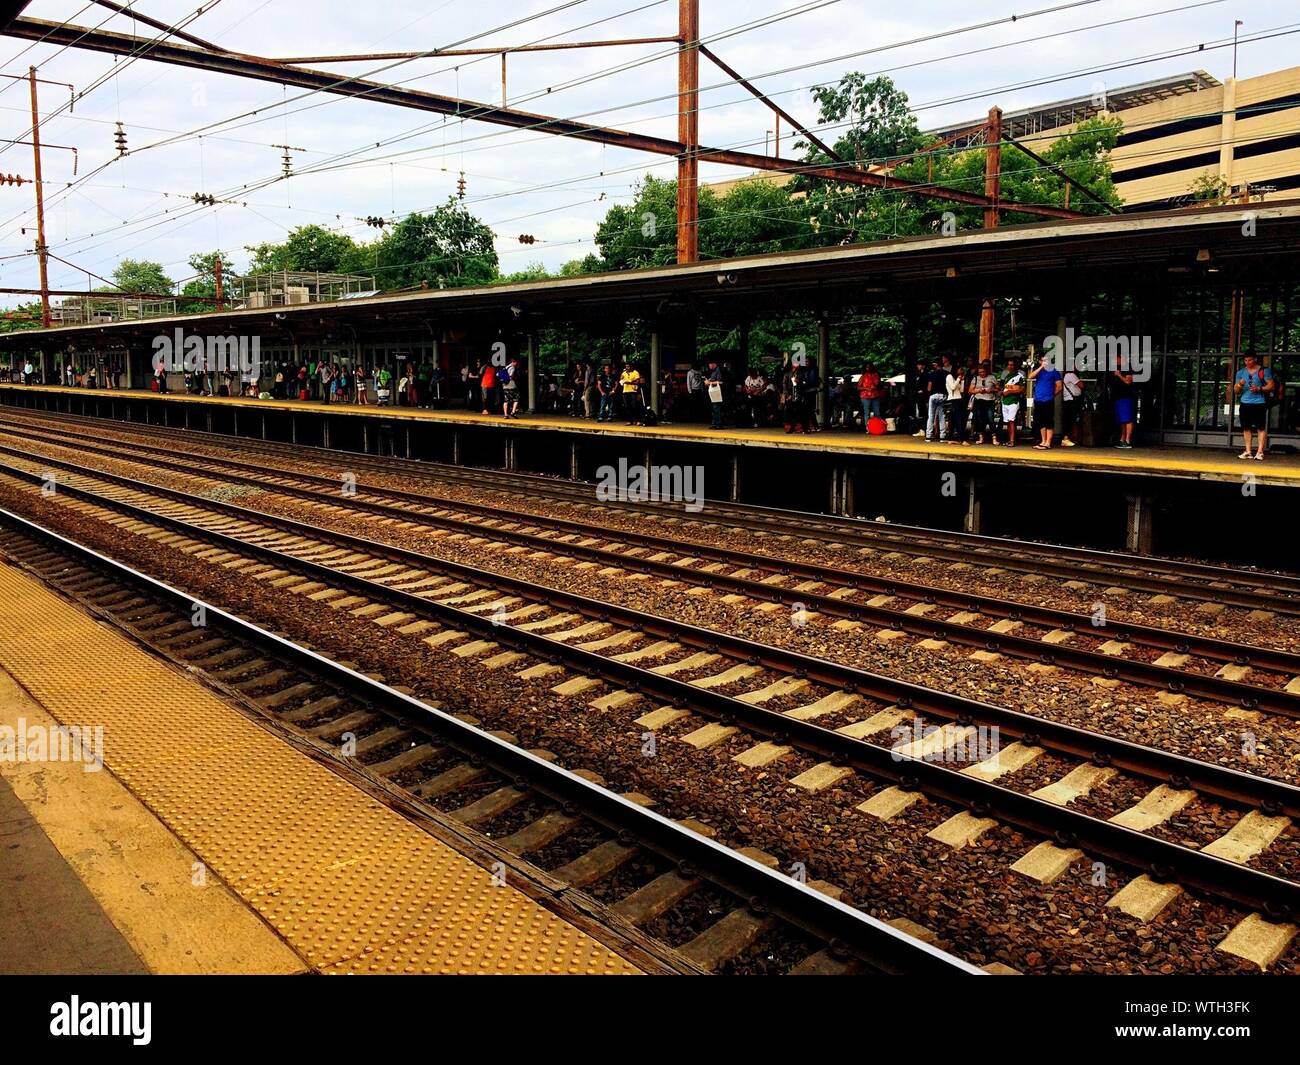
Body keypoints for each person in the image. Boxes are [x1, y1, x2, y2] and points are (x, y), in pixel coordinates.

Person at [1234, 352, 1275, 460]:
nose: (1248, 362)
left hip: (1259, 403)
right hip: (1245, 403)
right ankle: (1248, 451)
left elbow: (1271, 386)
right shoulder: (1241, 372)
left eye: (1250, 360)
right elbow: (1236, 391)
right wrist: (1240, 384)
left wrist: (1259, 388)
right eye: (1246, 360)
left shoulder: (1264, 371)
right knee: (1246, 427)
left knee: (1260, 427)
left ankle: (1260, 452)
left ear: (1255, 359)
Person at [1029, 353, 1063, 450]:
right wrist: (1041, 367)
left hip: (1048, 399)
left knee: (1048, 421)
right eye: (1044, 360)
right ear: (1040, 361)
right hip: (1038, 399)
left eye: (1047, 360)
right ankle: (1043, 441)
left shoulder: (1054, 371)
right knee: (1040, 421)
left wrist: (1052, 395)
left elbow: (1059, 386)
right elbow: (1030, 376)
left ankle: (1048, 442)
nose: (1046, 362)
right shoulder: (1039, 371)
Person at [997, 357, 1025, 446]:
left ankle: (1012, 441)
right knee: (1008, 421)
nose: (1010, 366)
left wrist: (1010, 392)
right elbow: (1005, 387)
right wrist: (1001, 391)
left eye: (1012, 365)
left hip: (1013, 401)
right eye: (1009, 365)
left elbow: (1022, 389)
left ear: (1016, 366)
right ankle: (1009, 440)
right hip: (1005, 401)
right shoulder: (1007, 376)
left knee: (1012, 421)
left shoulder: (1020, 377)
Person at [969, 361, 997, 445]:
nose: (981, 373)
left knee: (991, 419)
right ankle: (981, 437)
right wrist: (978, 390)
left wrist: (991, 390)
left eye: (983, 372)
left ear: (986, 371)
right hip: (979, 400)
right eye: (980, 372)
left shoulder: (992, 377)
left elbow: (998, 388)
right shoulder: (976, 378)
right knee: (980, 420)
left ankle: (994, 438)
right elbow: (970, 391)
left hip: (989, 400)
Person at [1111, 367, 1136, 449]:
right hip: (1118, 398)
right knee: (1122, 420)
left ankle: (1128, 441)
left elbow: (1128, 381)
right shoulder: (1114, 369)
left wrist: (1119, 375)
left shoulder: (1127, 370)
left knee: (1127, 419)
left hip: (1126, 398)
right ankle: (1122, 440)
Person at [924, 358, 949, 442]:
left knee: (931, 416)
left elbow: (929, 388)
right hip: (943, 395)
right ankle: (943, 436)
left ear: (936, 365)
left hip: (934, 395)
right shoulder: (947, 374)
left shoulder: (932, 374)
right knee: (942, 416)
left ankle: (928, 436)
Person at [944, 357, 966, 443]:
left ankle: (952, 438)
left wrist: (962, 381)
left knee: (954, 419)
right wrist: (958, 379)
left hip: (958, 399)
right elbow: (952, 387)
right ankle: (961, 438)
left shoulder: (956, 378)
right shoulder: (949, 376)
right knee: (958, 419)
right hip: (953, 400)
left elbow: (961, 390)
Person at [1061, 368, 1083, 447]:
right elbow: (1081, 385)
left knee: (1068, 419)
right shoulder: (1071, 375)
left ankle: (1067, 438)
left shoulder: (1064, 376)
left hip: (1067, 400)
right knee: (1072, 420)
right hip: (1072, 400)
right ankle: (1067, 438)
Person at [858, 362, 884, 430]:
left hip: (875, 395)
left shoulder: (876, 375)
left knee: (877, 412)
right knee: (867, 413)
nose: (868, 368)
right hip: (865, 396)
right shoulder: (863, 376)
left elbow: (879, 385)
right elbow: (858, 387)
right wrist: (866, 388)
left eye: (870, 367)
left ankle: (878, 427)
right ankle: (868, 428)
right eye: (867, 367)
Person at [705, 359, 725, 429]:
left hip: (717, 392)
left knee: (716, 408)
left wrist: (709, 383)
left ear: (714, 364)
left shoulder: (718, 370)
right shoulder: (713, 372)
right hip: (713, 392)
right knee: (714, 408)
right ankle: (715, 423)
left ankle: (719, 424)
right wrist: (708, 381)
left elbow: (720, 382)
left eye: (709, 364)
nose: (709, 366)